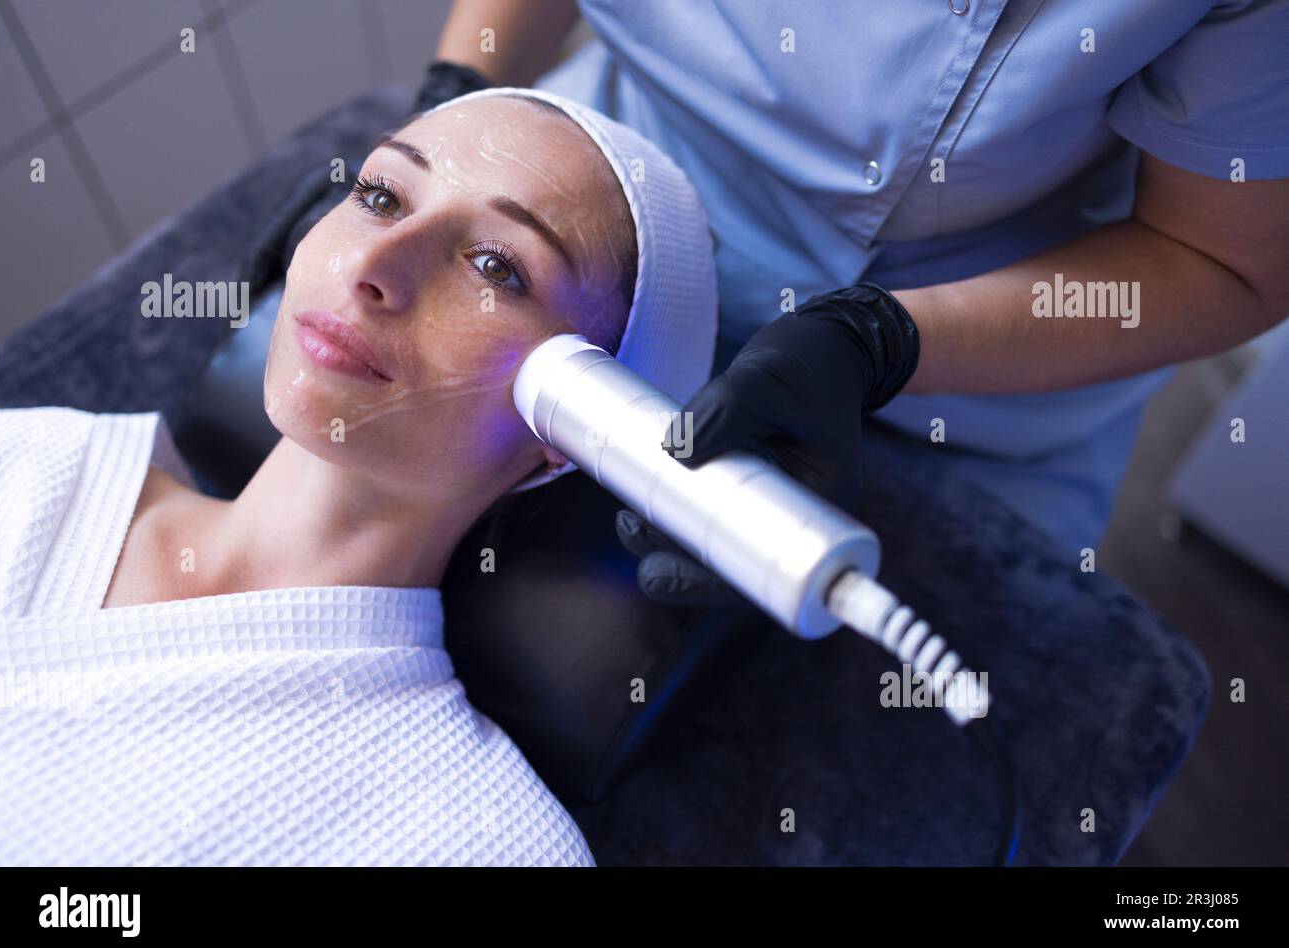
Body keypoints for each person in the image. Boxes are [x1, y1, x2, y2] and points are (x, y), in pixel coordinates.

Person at [0, 89, 718, 865]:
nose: (372, 264)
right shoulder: (25, 463)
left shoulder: (483, 839)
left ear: (575, 422)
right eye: (381, 196)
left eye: (496, 266)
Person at [419, 0, 1289, 603]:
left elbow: (1222, 261)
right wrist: (448, 114)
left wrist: (878, 340)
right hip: (600, 199)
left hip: (973, 369)